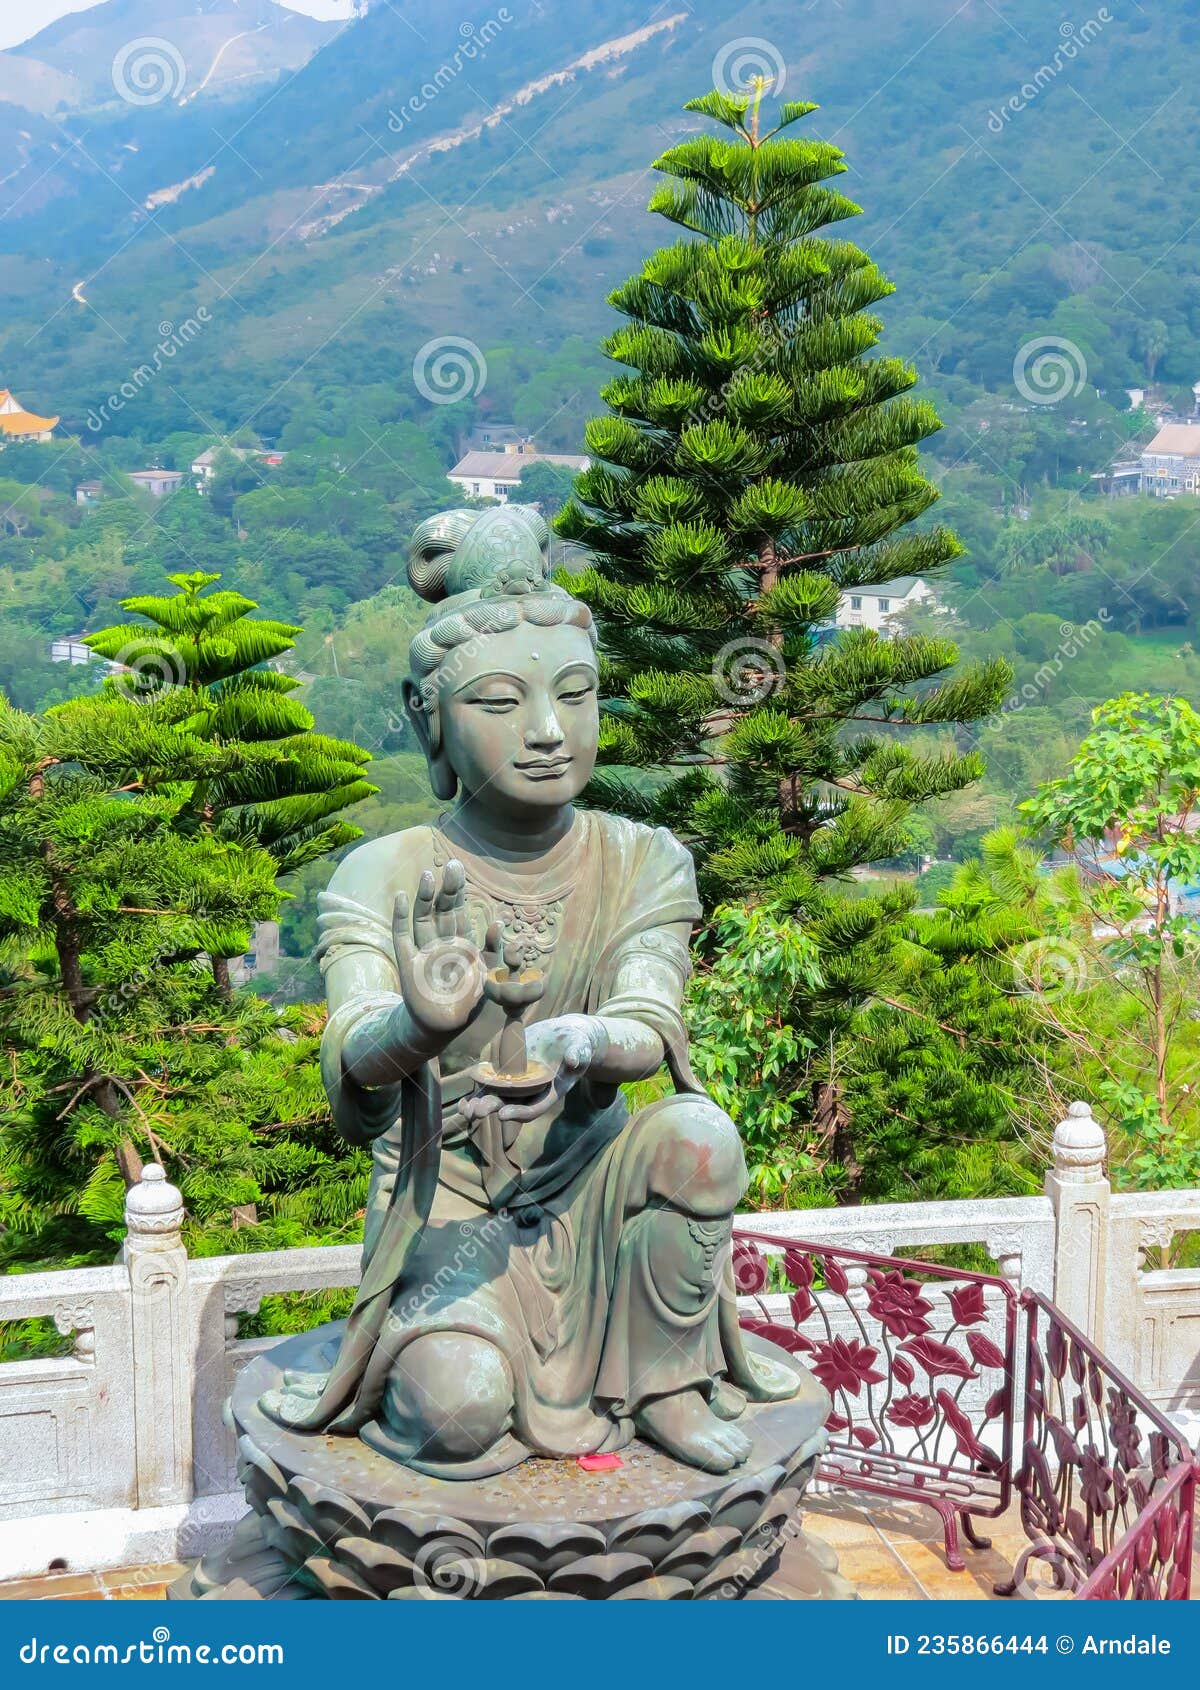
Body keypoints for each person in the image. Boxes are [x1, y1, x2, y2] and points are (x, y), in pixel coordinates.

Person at [262, 505, 801, 1478]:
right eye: (501, 702)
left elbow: (648, 1020)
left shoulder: (644, 859)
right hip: (448, 1207)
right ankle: (444, 1370)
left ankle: (664, 1383)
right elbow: (354, 1064)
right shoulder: (382, 874)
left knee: (699, 1134)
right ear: (429, 716)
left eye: (576, 694)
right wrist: (417, 1024)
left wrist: (580, 1042)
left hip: (592, 1179)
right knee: (459, 1410)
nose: (549, 731)